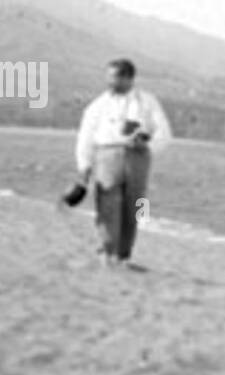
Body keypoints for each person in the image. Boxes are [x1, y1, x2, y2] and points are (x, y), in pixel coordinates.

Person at [74, 58, 172, 267]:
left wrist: (148, 146)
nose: (108, 81)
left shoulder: (147, 101)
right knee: (107, 203)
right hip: (106, 154)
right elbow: (85, 136)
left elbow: (164, 132)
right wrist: (84, 165)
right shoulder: (97, 105)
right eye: (108, 76)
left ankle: (124, 256)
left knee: (135, 206)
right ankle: (106, 253)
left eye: (114, 77)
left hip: (138, 157)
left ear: (128, 78)